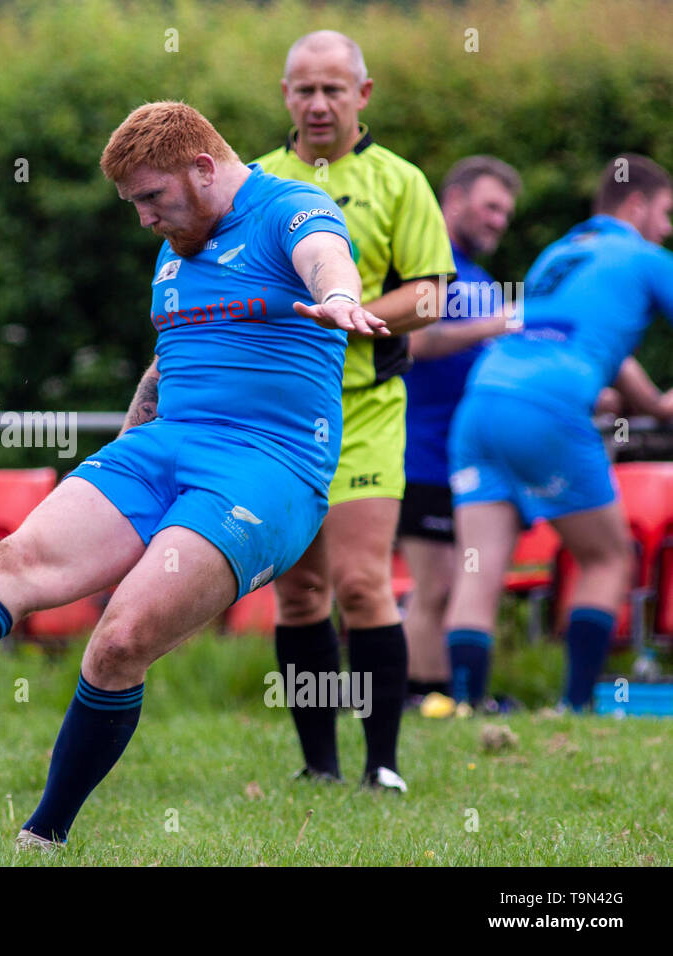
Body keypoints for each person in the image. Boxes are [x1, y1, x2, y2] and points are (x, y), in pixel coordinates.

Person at [0, 101, 389, 848]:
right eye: (133, 205)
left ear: (202, 168)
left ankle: (43, 837)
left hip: (267, 469)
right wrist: (120, 461)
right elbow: (169, 365)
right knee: (15, 561)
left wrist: (342, 296)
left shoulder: (292, 204)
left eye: (151, 198)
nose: (144, 219)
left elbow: (325, 253)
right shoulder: (174, 252)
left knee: (120, 639)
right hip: (161, 448)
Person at [253, 31, 454, 791]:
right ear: (285, 96)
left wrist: (355, 310)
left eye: (334, 89)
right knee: (299, 590)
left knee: (364, 584)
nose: (317, 104)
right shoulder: (252, 183)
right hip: (279, 418)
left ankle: (384, 765)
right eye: (304, 89)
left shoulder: (400, 182)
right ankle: (319, 765)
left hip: (367, 410)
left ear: (362, 96)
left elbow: (431, 293)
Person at [444, 153, 673, 712]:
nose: (667, 229)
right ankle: (575, 705)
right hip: (547, 409)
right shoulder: (645, 258)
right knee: (608, 556)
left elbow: (592, 341)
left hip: (482, 402)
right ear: (637, 204)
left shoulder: (561, 254)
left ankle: (466, 705)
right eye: (666, 214)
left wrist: (651, 406)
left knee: (480, 565)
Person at [399, 156, 521, 705]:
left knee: (464, 582)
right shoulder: (429, 267)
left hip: (470, 458)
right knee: (437, 584)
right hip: (420, 451)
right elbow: (418, 344)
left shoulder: (484, 281)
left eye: (506, 213)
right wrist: (498, 325)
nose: (499, 221)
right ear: (455, 201)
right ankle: (424, 695)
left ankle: (446, 695)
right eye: (491, 206)